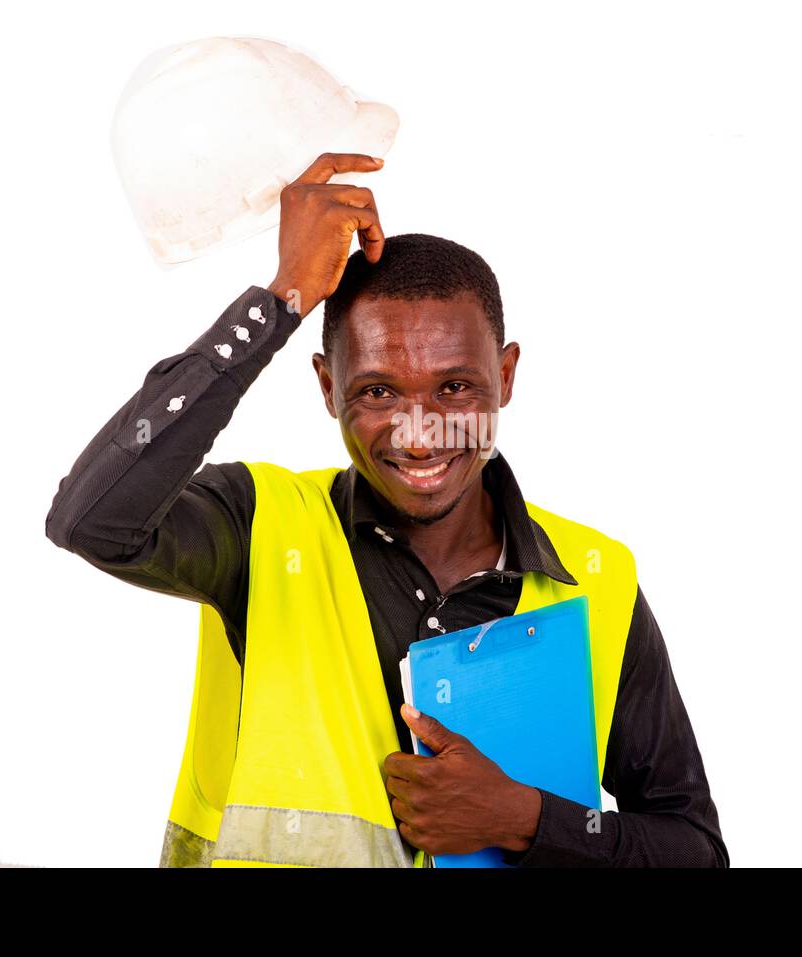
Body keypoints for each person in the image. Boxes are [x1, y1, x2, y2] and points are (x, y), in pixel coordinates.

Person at [44, 152, 729, 867]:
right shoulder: (260, 526)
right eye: (377, 392)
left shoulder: (598, 580)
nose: (419, 431)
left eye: (456, 388)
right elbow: (91, 518)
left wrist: (525, 818)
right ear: (326, 386)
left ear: (505, 375)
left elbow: (696, 851)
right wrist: (281, 302)